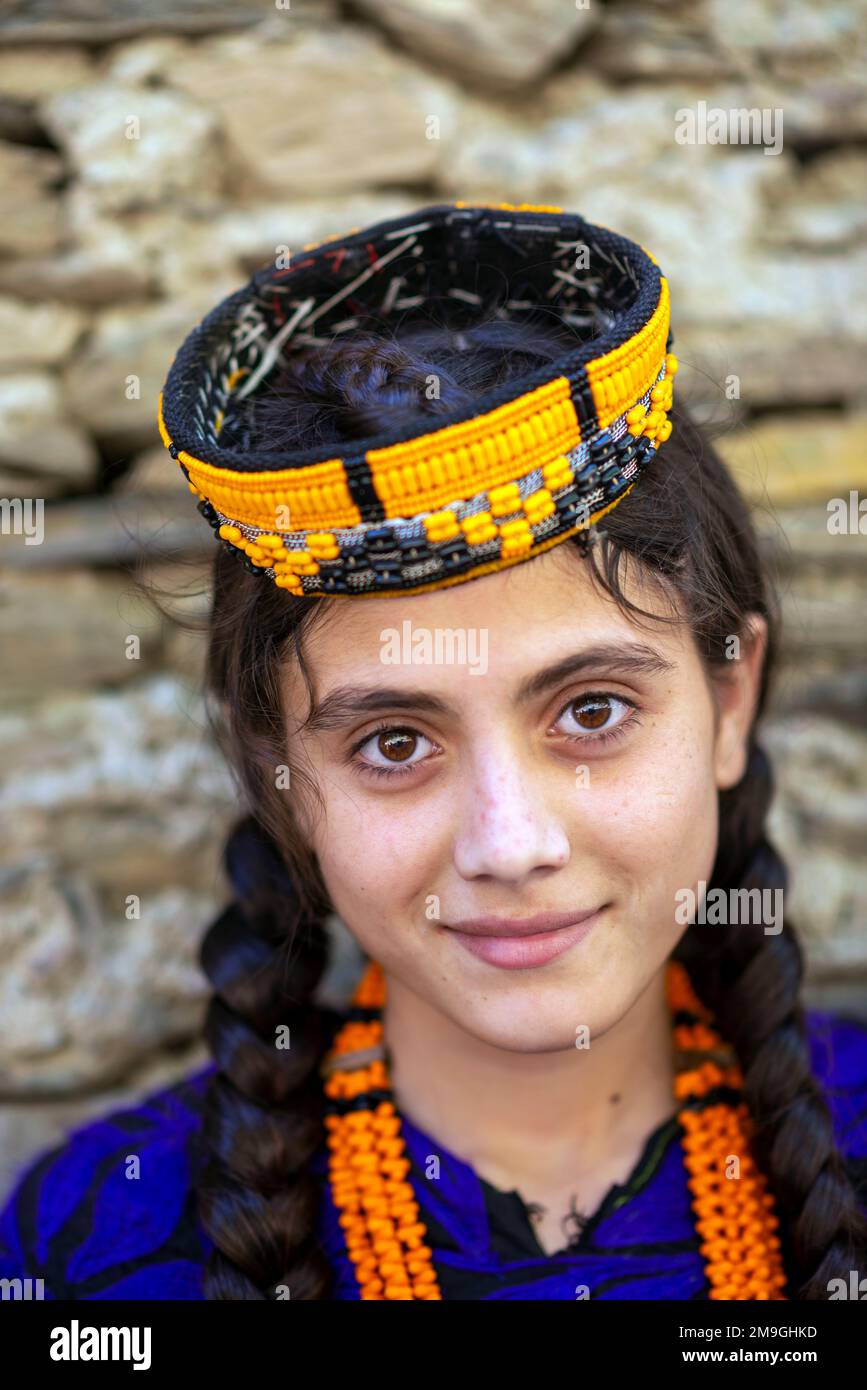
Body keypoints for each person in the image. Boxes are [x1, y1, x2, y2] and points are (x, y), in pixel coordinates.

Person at [1, 203, 865, 1302]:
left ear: (729, 702)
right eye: (396, 740)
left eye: (591, 713)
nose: (509, 844)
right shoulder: (94, 1252)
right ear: (279, 776)